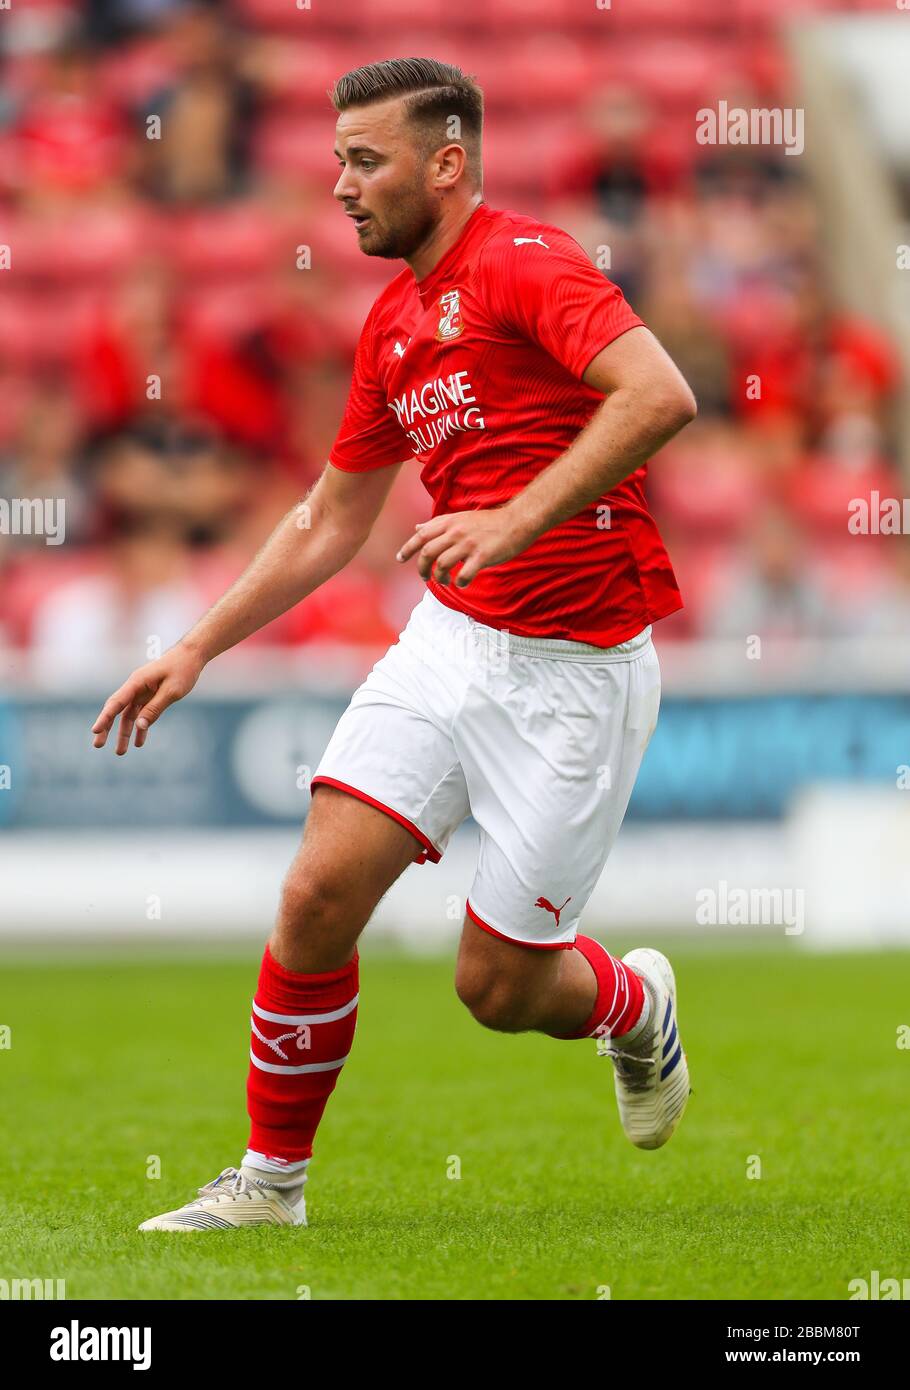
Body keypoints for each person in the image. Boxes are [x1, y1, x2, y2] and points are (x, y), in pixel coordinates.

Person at [91, 58, 697, 1232]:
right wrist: (198, 646)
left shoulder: (528, 262)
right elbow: (331, 516)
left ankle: (631, 1007)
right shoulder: (393, 322)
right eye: (337, 161)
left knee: (499, 988)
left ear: (447, 163)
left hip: (577, 671)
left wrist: (516, 517)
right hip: (454, 644)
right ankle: (271, 1184)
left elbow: (659, 393)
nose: (342, 187)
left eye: (365, 161)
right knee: (316, 893)